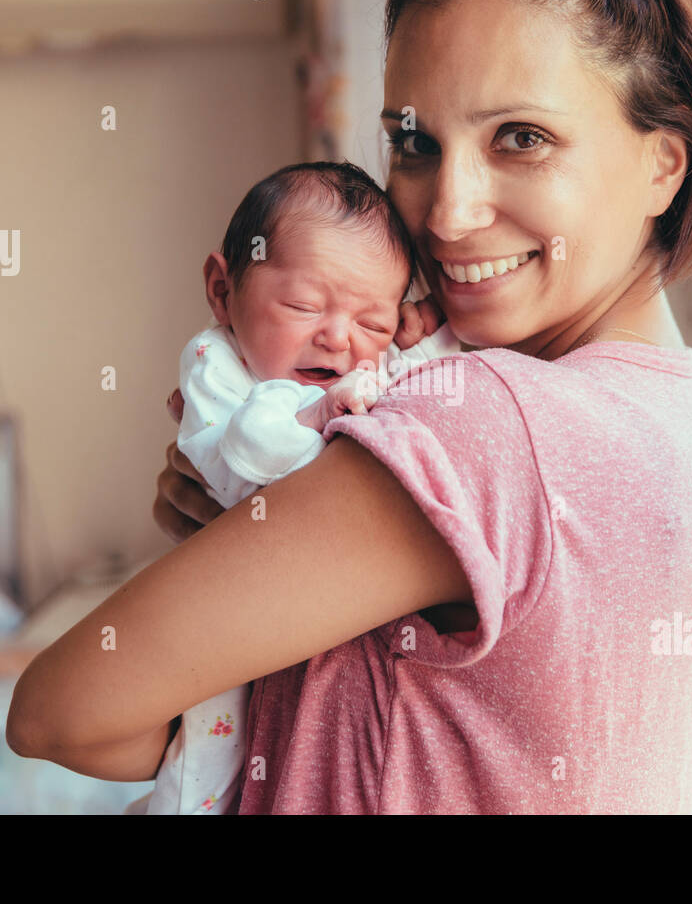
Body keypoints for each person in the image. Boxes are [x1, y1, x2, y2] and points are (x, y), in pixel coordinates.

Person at [8, 0, 692, 813]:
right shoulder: (658, 403)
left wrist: (228, 557)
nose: (447, 213)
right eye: (416, 142)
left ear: (665, 163)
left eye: (522, 138)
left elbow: (56, 712)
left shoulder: (485, 423)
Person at [132, 160, 458, 814]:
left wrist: (426, 336)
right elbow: (252, 453)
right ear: (223, 293)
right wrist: (323, 409)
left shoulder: (348, 366)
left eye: (372, 323)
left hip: (301, 624)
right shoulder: (214, 367)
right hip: (228, 614)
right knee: (205, 763)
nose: (338, 336)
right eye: (304, 306)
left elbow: (414, 379)